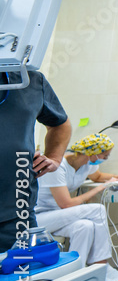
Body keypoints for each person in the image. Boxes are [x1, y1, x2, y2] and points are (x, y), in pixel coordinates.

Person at [34, 133, 118, 281]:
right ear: (93, 153)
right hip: (40, 218)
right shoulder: (58, 167)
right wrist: (100, 188)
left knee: (85, 226)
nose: (105, 159)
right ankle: (101, 265)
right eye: (105, 156)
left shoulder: (88, 164)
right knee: (98, 210)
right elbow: (66, 204)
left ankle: (74, 275)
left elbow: (98, 176)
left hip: (58, 215)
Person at [0, 69, 71, 253]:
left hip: (17, 211)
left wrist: (54, 158)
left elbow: (60, 124)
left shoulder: (30, 81)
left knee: (22, 269)